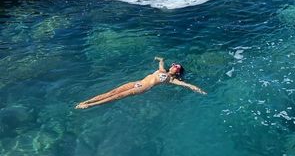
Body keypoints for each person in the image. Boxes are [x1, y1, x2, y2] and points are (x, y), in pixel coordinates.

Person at [75, 57, 206, 109]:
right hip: (136, 83)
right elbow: (161, 63)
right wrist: (160, 58)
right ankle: (87, 101)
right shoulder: (162, 70)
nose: (173, 66)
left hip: (143, 88)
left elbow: (187, 85)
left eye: (176, 67)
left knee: (115, 97)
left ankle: (89, 106)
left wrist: (198, 90)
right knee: (112, 92)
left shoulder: (172, 79)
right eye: (174, 65)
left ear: (177, 72)